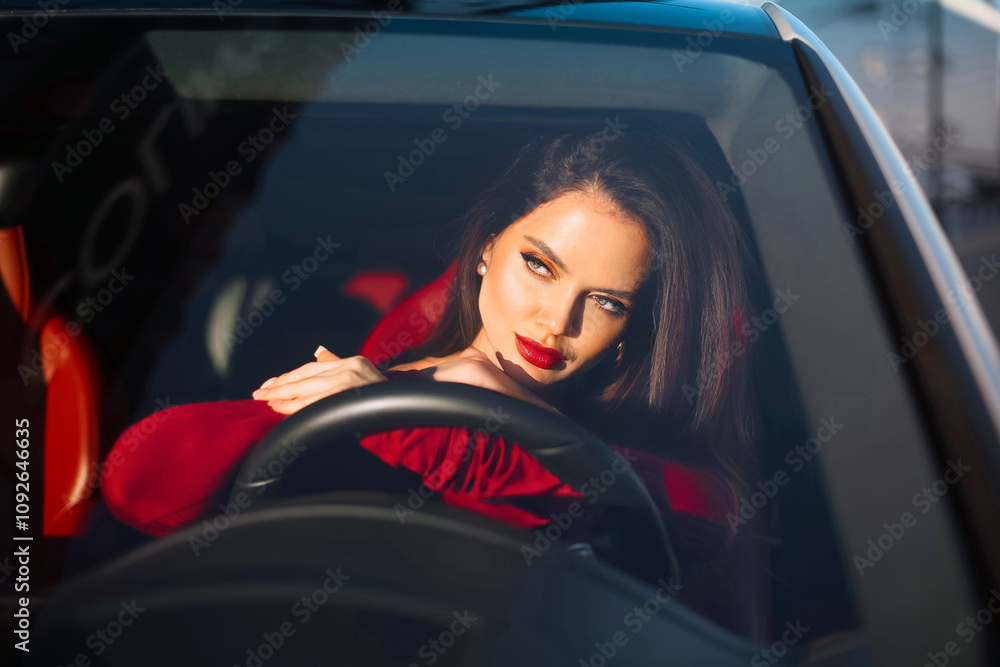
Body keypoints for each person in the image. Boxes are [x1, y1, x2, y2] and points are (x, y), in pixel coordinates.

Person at [101, 127, 754, 565]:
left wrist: (484, 423)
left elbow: (698, 513)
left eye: (609, 302)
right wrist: (399, 408)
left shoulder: (654, 463)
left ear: (634, 329)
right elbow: (139, 477)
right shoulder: (374, 385)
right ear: (489, 247)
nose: (556, 320)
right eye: (540, 265)